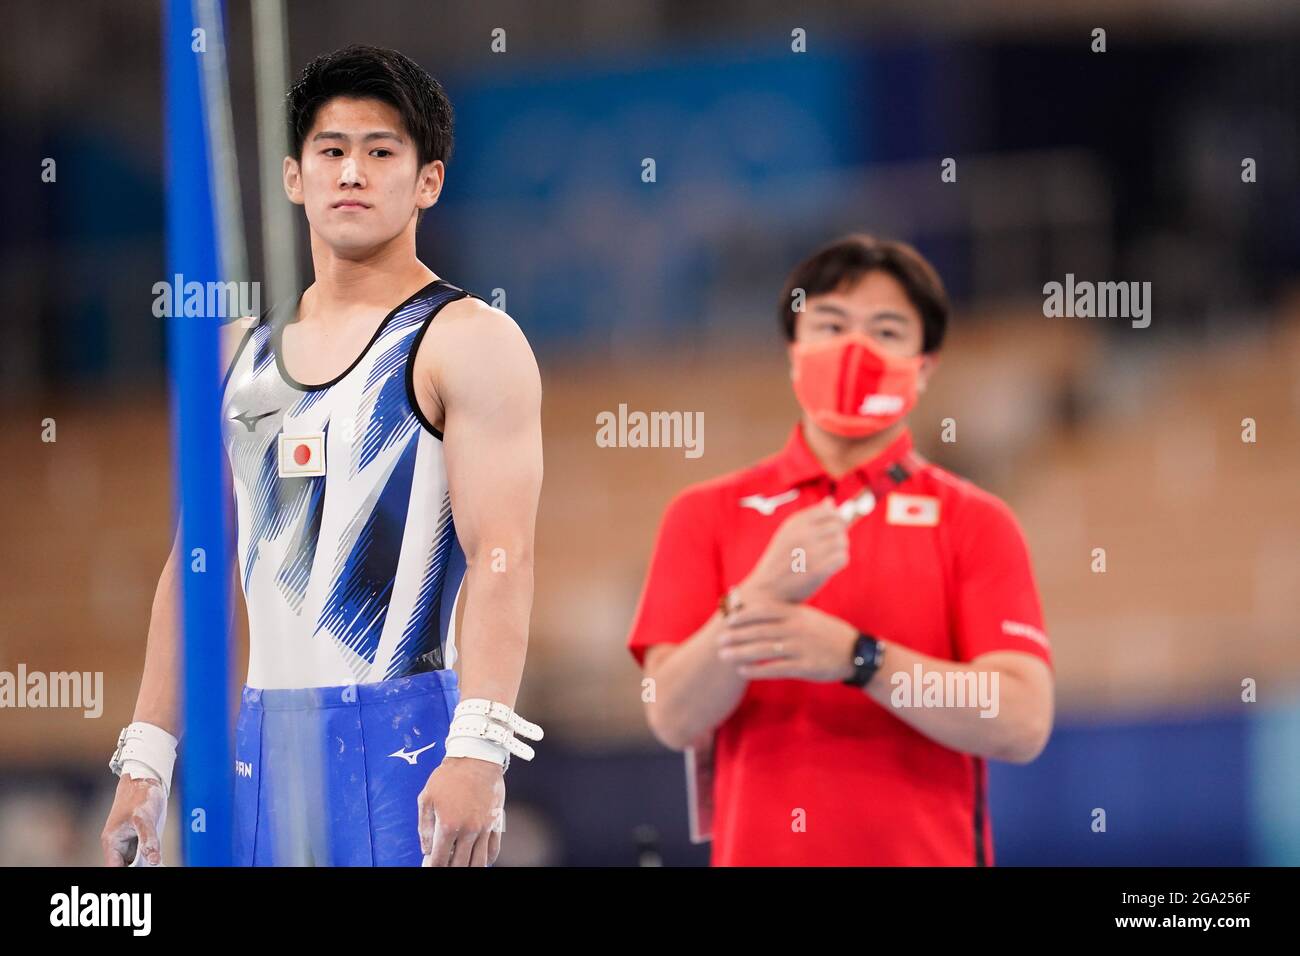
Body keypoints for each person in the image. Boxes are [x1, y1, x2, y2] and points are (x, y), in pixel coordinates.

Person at [101, 45, 544, 867]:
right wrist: (146, 759)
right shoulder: (237, 359)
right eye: (332, 151)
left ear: (427, 183)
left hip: (405, 735)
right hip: (258, 744)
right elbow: (198, 564)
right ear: (293, 177)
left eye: (382, 152)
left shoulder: (467, 342)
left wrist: (479, 743)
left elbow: (501, 553)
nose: (353, 172)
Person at [627, 234, 1055, 866]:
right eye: (829, 324)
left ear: (925, 366)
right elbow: (672, 715)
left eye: (886, 331)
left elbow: (1020, 720)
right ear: (793, 352)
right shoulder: (705, 514)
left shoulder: (975, 522)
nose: (854, 349)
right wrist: (757, 596)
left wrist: (861, 660)